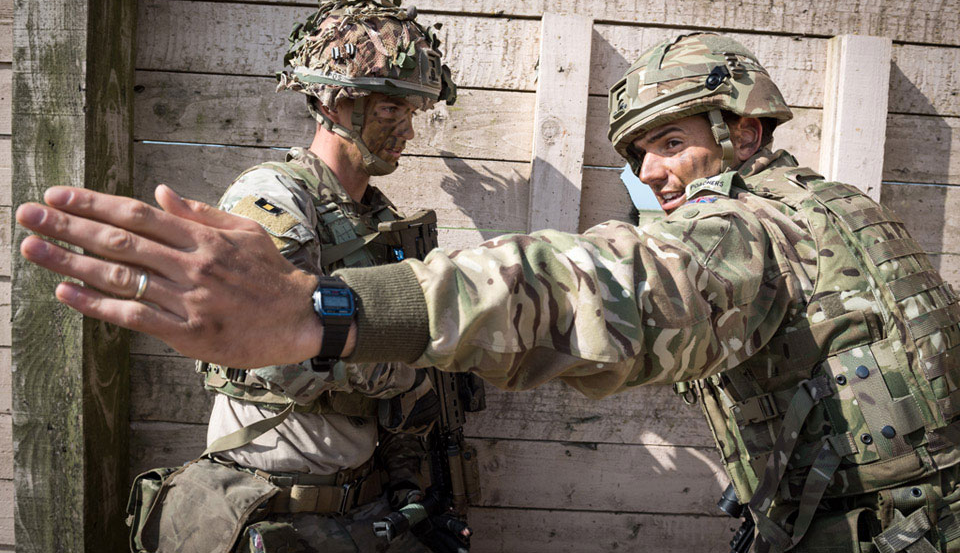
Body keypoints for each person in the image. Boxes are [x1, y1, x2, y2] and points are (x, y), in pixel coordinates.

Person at [18, 33, 960, 552]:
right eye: (640, 157)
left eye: (674, 143)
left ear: (745, 131)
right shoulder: (839, 208)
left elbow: (611, 283)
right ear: (331, 102)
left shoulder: (750, 226)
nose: (656, 176)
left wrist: (332, 314)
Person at [124, 0, 472, 553]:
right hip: (269, 508)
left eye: (412, 113)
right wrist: (408, 373)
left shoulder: (382, 223)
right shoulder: (274, 198)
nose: (407, 130)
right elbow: (278, 349)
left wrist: (412, 486)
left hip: (357, 510)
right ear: (333, 103)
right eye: (390, 110)